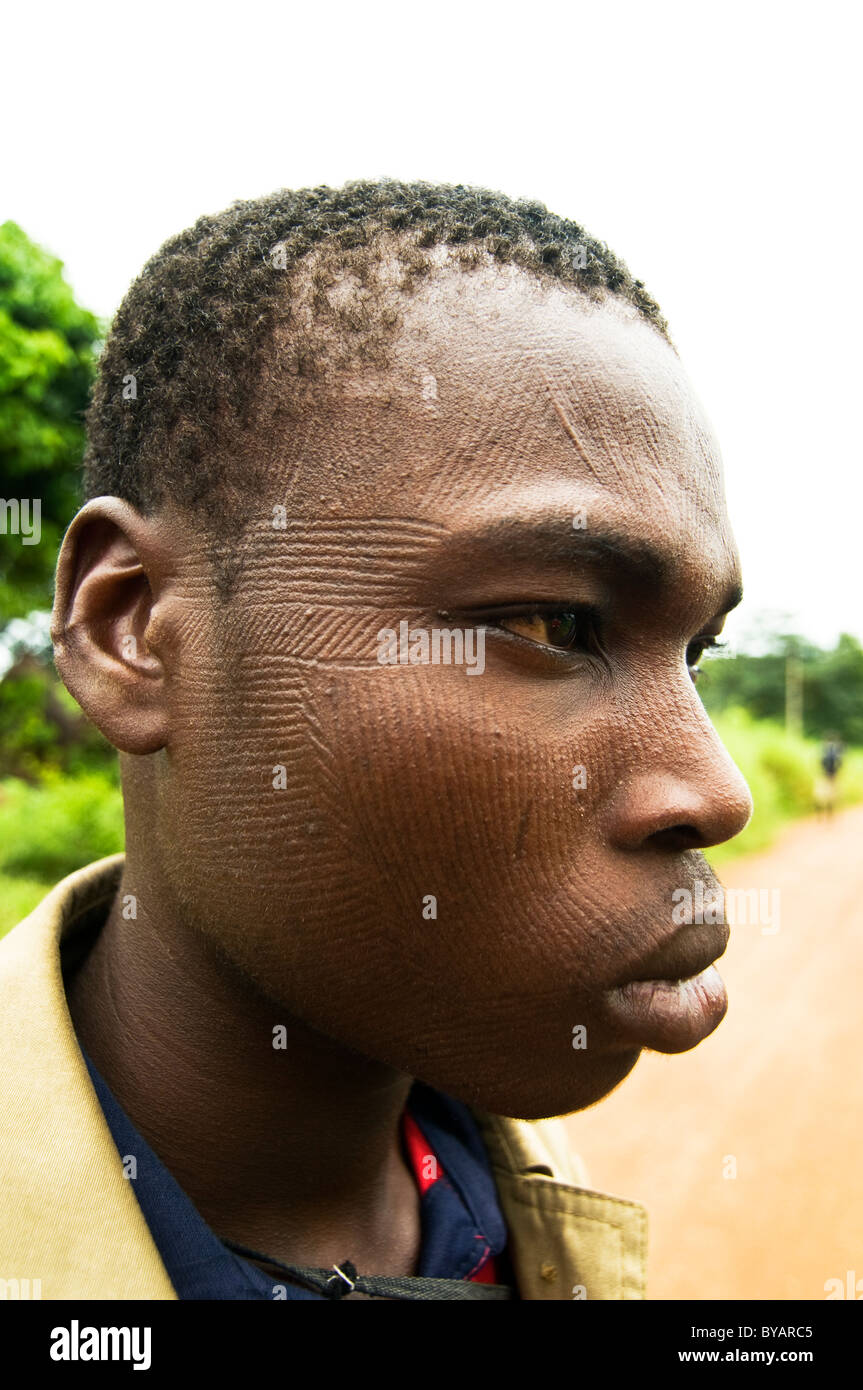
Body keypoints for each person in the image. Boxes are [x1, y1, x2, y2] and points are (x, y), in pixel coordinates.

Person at [0, 180, 753, 1300]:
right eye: (554, 624)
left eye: (693, 652)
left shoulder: (523, 1217)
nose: (714, 788)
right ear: (133, 632)